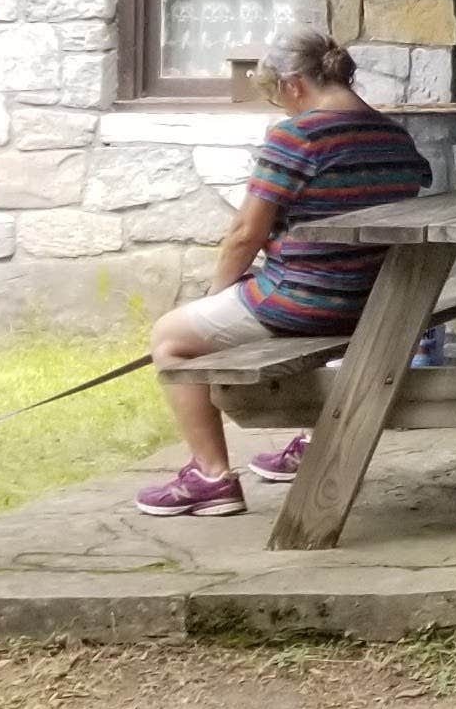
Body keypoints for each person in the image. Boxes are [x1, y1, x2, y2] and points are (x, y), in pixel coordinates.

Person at [134, 31, 434, 518]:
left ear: (294, 84)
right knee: (269, 298)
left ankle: (210, 478)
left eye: (277, 96)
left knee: (169, 337)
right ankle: (312, 443)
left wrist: (216, 293)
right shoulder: (394, 137)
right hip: (380, 299)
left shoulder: (298, 136)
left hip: (310, 303)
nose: (282, 108)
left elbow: (244, 234)